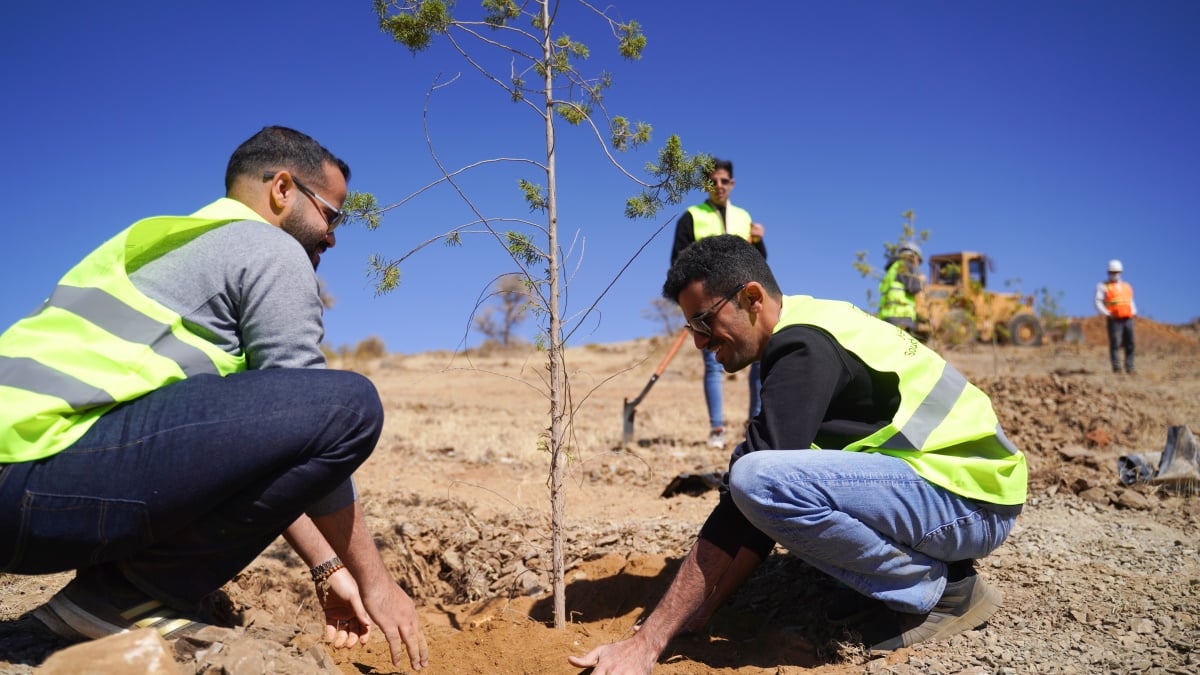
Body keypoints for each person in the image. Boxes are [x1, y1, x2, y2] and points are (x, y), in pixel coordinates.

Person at [0, 126, 428, 671]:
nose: (332, 237)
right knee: (349, 407)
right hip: (30, 478)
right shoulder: (268, 247)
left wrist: (327, 567)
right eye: (331, 214)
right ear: (282, 189)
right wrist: (378, 583)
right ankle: (120, 602)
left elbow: (264, 456)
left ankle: (112, 600)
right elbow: (315, 418)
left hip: (26, 483)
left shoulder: (166, 241)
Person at [570, 235, 1026, 673]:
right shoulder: (807, 325)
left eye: (704, 322)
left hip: (969, 502)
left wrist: (648, 641)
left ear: (751, 298)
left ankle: (939, 590)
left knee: (755, 476)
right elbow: (758, 512)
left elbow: (751, 496)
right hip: (956, 492)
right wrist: (700, 614)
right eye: (691, 327)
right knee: (760, 478)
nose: (700, 343)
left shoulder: (803, 347)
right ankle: (914, 578)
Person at [671, 158, 766, 449]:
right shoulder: (691, 217)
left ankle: (756, 425)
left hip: (743, 302)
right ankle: (717, 429)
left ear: (732, 184)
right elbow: (678, 263)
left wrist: (759, 242)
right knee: (714, 365)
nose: (719, 186)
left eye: (724, 181)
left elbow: (760, 263)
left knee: (758, 362)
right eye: (713, 181)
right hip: (708, 305)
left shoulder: (744, 217)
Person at [1094, 259, 1136, 374]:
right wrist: (1107, 313)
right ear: (1108, 273)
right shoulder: (1103, 286)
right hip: (1114, 319)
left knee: (1130, 344)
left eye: (1116, 272)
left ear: (1120, 272)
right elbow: (1097, 302)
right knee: (1115, 344)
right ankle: (1117, 369)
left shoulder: (1127, 286)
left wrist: (1133, 311)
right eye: (1112, 272)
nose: (1114, 274)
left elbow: (1130, 300)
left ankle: (1130, 368)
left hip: (1128, 318)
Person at [878, 242, 924, 333]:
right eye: (918, 260)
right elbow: (914, 289)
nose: (917, 264)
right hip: (901, 317)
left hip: (886, 317)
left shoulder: (892, 270)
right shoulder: (905, 265)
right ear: (914, 257)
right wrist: (919, 281)